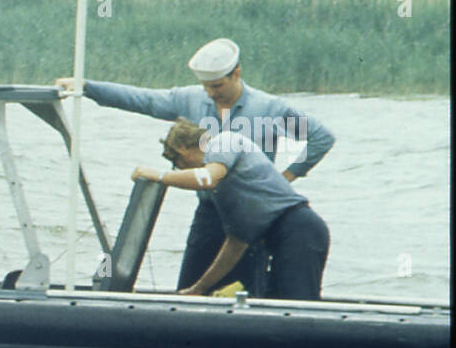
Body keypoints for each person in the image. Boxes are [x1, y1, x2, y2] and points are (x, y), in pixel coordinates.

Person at [56, 38, 335, 292]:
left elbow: (321, 138)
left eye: (217, 86)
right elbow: (141, 99)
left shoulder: (269, 110)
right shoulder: (190, 100)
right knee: (191, 285)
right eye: (205, 87)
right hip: (211, 211)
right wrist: (87, 88)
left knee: (246, 289)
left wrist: (285, 177)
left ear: (236, 74)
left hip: (254, 215)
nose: (211, 94)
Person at [131, 118, 330, 300]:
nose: (181, 170)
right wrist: (199, 288)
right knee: (271, 299)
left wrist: (158, 176)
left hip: (300, 230)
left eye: (177, 163)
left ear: (183, 149)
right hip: (277, 238)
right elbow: (236, 244)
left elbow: (207, 178)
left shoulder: (222, 142)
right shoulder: (225, 191)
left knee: (298, 301)